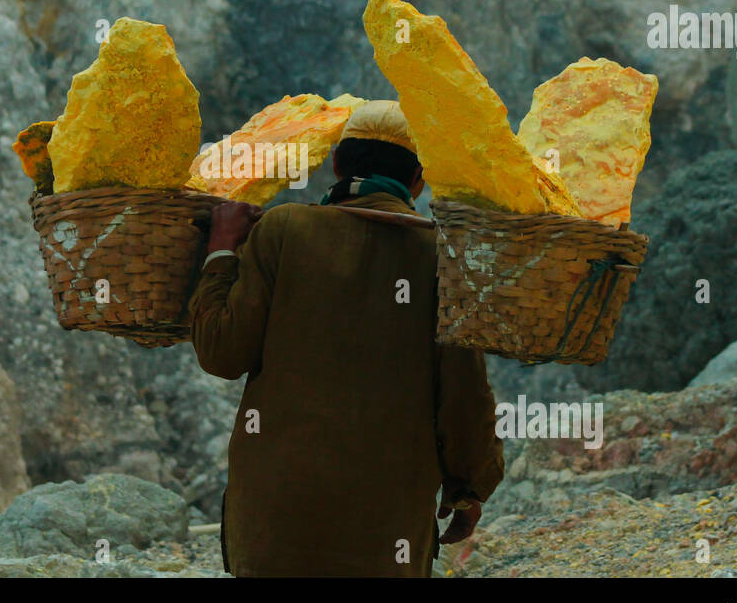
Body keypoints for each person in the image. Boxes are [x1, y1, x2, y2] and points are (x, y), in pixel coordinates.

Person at [188, 100, 503, 577]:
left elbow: (221, 352)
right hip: (383, 533)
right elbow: (464, 398)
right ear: (418, 179)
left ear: (337, 164)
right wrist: (468, 490)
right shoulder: (444, 258)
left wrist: (219, 252)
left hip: (275, 526)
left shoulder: (283, 229)